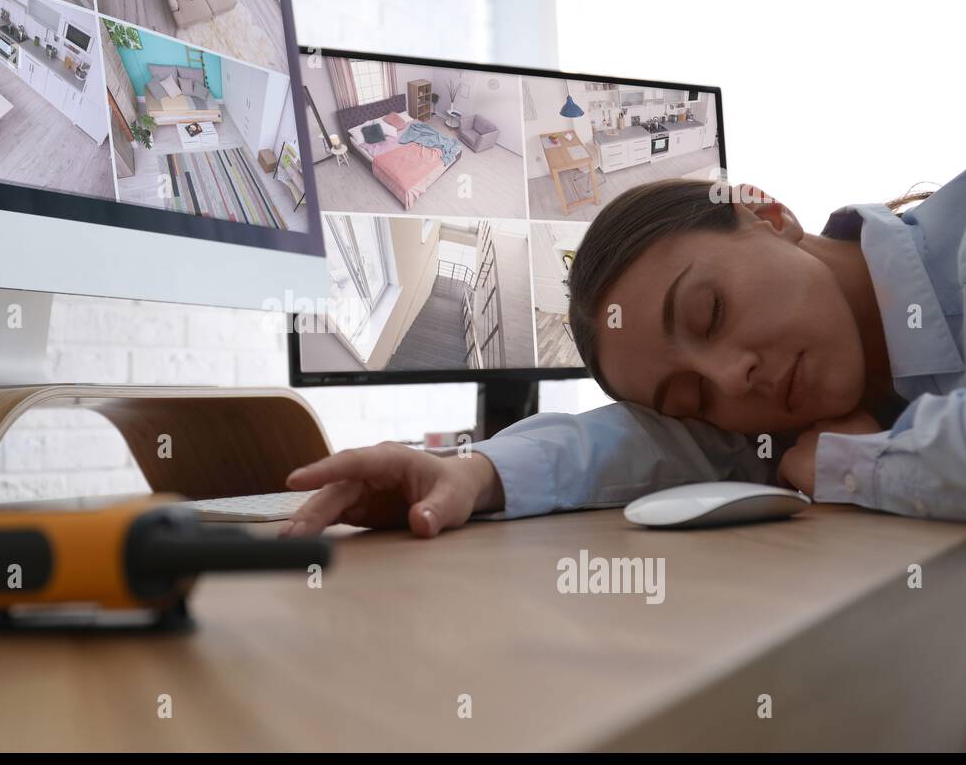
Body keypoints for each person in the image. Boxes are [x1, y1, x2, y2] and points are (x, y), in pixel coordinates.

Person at [284, 171, 966, 537]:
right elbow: (640, 443)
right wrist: (471, 475)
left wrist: (854, 464)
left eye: (710, 312)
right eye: (696, 400)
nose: (734, 377)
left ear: (766, 211)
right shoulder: (782, 418)